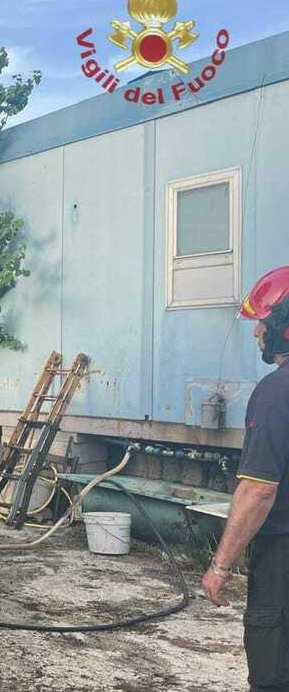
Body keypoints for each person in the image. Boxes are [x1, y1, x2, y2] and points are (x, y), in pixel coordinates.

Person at [203, 266, 289, 692]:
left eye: (263, 323)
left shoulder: (276, 392)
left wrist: (220, 566)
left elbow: (259, 489)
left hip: (282, 562)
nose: (257, 334)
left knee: (273, 676)